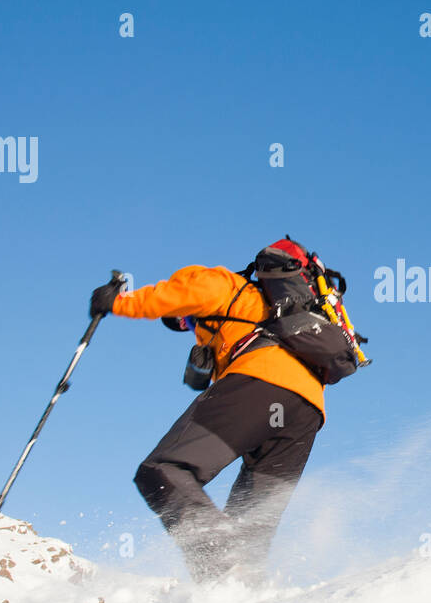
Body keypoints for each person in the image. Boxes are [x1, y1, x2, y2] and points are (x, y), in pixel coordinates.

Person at [89, 240, 326, 583]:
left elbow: (176, 294)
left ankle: (219, 564)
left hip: (260, 383)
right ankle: (239, 596)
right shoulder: (275, 316)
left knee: (162, 471)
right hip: (307, 410)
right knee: (252, 524)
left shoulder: (225, 283)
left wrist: (117, 302)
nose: (187, 326)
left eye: (186, 320)